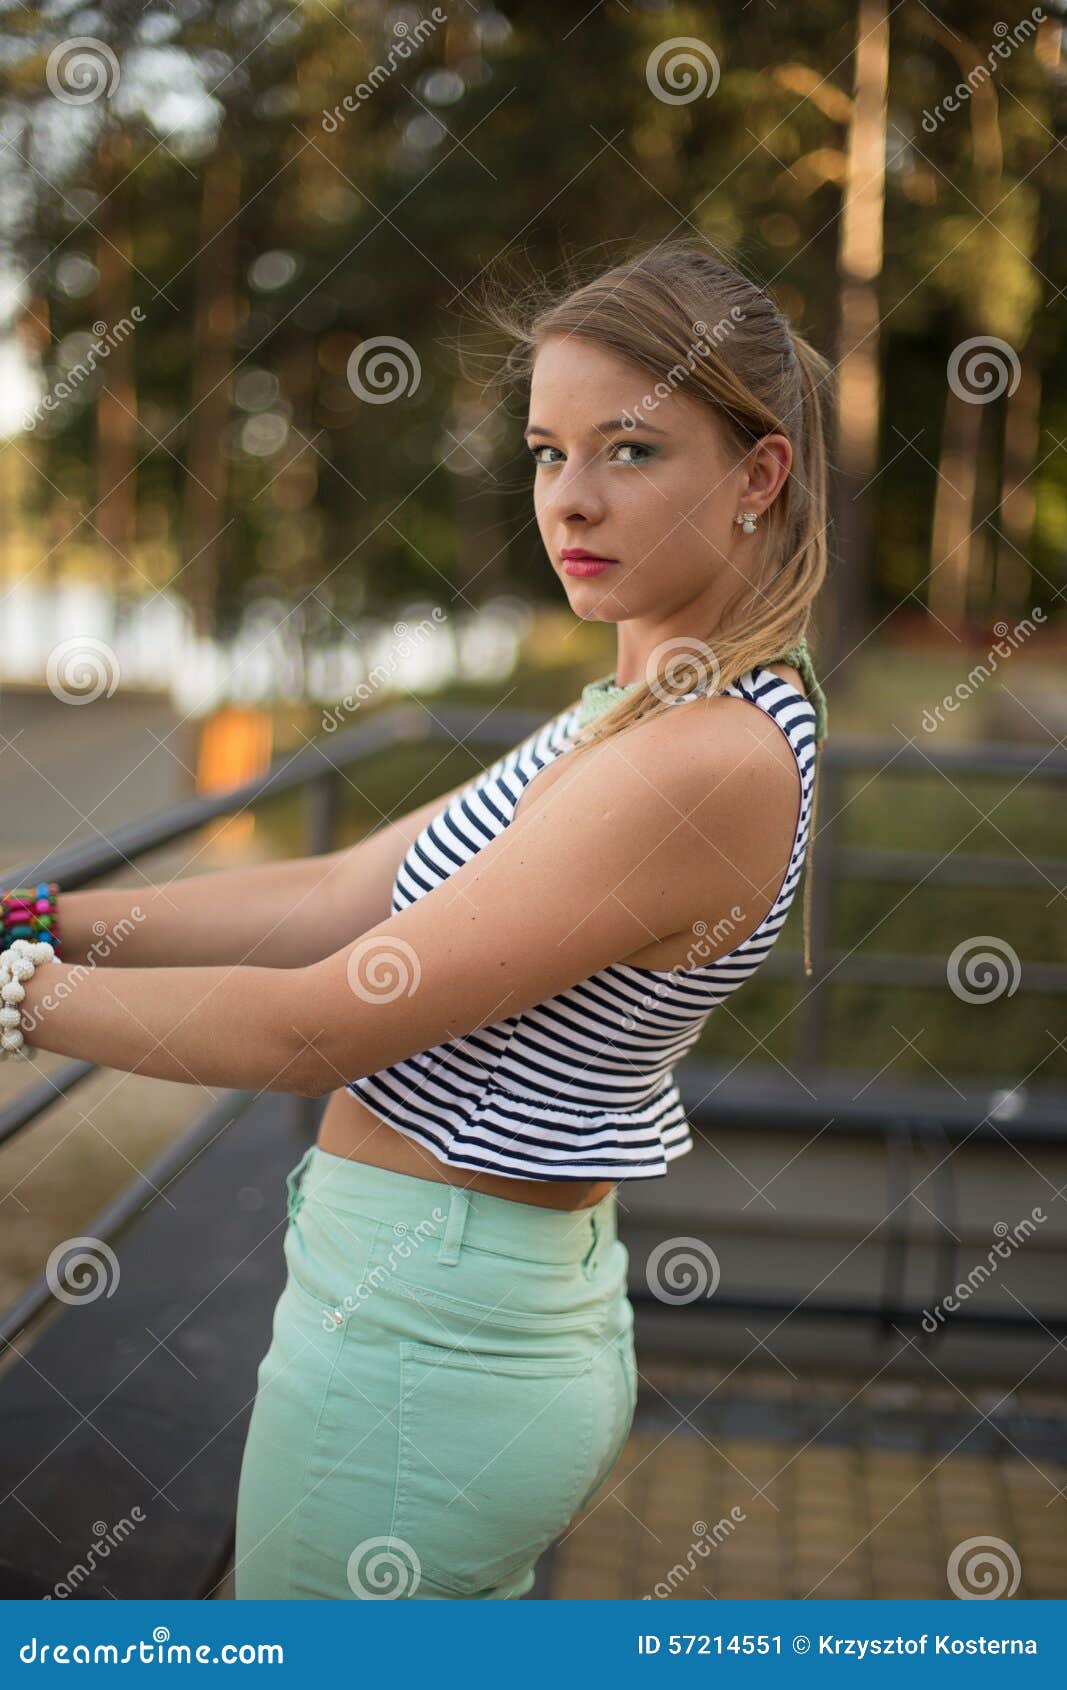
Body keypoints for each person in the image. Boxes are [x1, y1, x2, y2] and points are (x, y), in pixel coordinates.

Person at [2, 238, 831, 1600]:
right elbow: (341, 894)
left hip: (428, 1358)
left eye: (629, 451)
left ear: (758, 475)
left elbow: (319, 1022)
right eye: (546, 451)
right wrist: (34, 914)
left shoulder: (706, 759)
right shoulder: (636, 712)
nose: (571, 499)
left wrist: (17, 997)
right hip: (427, 1315)